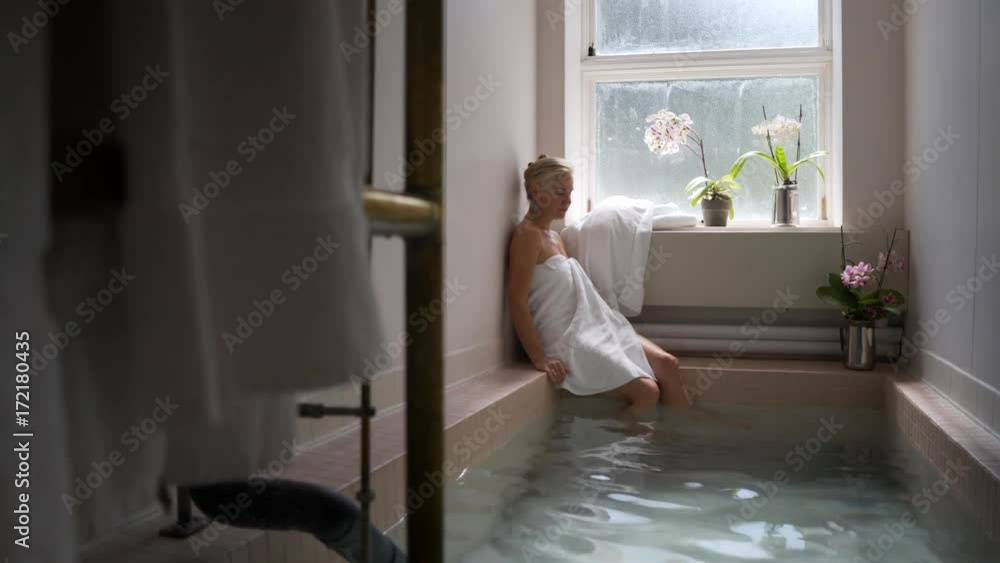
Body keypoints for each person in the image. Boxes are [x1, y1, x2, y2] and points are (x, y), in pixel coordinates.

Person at [507, 155, 692, 415]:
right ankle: (627, 452)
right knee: (648, 392)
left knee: (668, 364)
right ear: (536, 191)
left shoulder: (555, 236)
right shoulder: (527, 236)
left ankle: (685, 438)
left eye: (570, 193)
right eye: (560, 193)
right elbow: (516, 299)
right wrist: (539, 357)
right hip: (564, 339)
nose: (568, 201)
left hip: (593, 326)